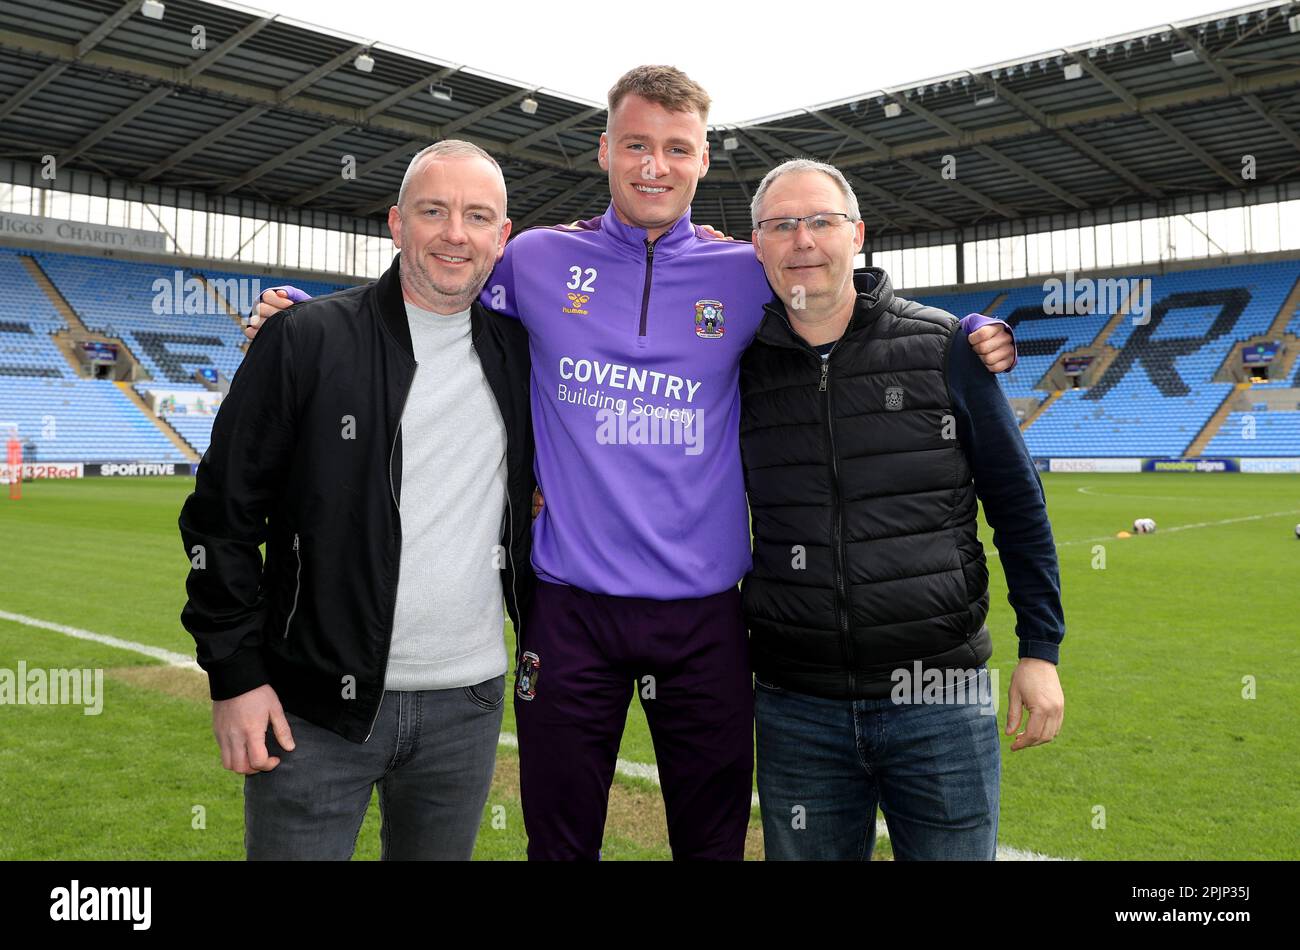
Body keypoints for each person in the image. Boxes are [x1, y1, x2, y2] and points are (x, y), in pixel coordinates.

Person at [246, 65, 1017, 861]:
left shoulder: (746, 271)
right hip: (571, 610)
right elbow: (435, 285)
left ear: (704, 160)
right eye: (638, 145)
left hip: (707, 616)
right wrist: (312, 319)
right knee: (560, 842)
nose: (655, 165)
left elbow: (845, 312)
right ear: (605, 150)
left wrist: (968, 335)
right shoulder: (537, 259)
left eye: (676, 149)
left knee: (712, 843)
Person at [179, 140, 536, 860]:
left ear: (503, 238)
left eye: (477, 216)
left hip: (467, 708)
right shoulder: (304, 337)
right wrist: (235, 676)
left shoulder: (524, 352)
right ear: (396, 224)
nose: (454, 234)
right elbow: (222, 514)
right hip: (311, 708)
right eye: (432, 211)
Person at [740, 158, 1065, 860]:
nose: (803, 240)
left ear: (857, 234)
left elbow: (1018, 506)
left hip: (940, 697)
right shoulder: (738, 367)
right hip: (796, 703)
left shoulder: (945, 346)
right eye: (781, 224)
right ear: (756, 244)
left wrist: (1040, 651)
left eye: (821, 221)